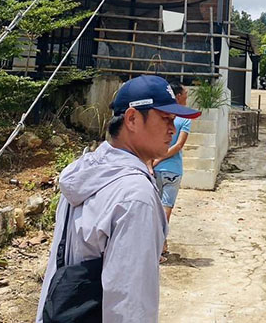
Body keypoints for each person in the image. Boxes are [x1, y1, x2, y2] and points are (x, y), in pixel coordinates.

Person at [36, 75, 201, 322]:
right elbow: (129, 302)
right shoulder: (135, 195)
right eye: (165, 118)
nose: (172, 127)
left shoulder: (84, 173)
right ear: (132, 119)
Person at [152, 80, 192, 262]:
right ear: (178, 96)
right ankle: (159, 248)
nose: (187, 96)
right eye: (185, 93)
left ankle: (159, 244)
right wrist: (161, 158)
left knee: (154, 210)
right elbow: (179, 145)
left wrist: (154, 160)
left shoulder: (162, 115)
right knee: (166, 211)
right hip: (173, 170)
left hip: (155, 169)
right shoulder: (185, 118)